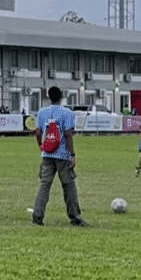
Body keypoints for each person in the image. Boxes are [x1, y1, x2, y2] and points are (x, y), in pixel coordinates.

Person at [31, 85, 87, 226]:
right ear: (61, 96)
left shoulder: (42, 112)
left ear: (48, 97)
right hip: (62, 154)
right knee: (68, 185)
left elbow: (38, 133)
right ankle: (74, 217)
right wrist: (72, 154)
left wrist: (42, 148)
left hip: (47, 153)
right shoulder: (66, 112)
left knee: (44, 185)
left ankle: (37, 216)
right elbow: (68, 134)